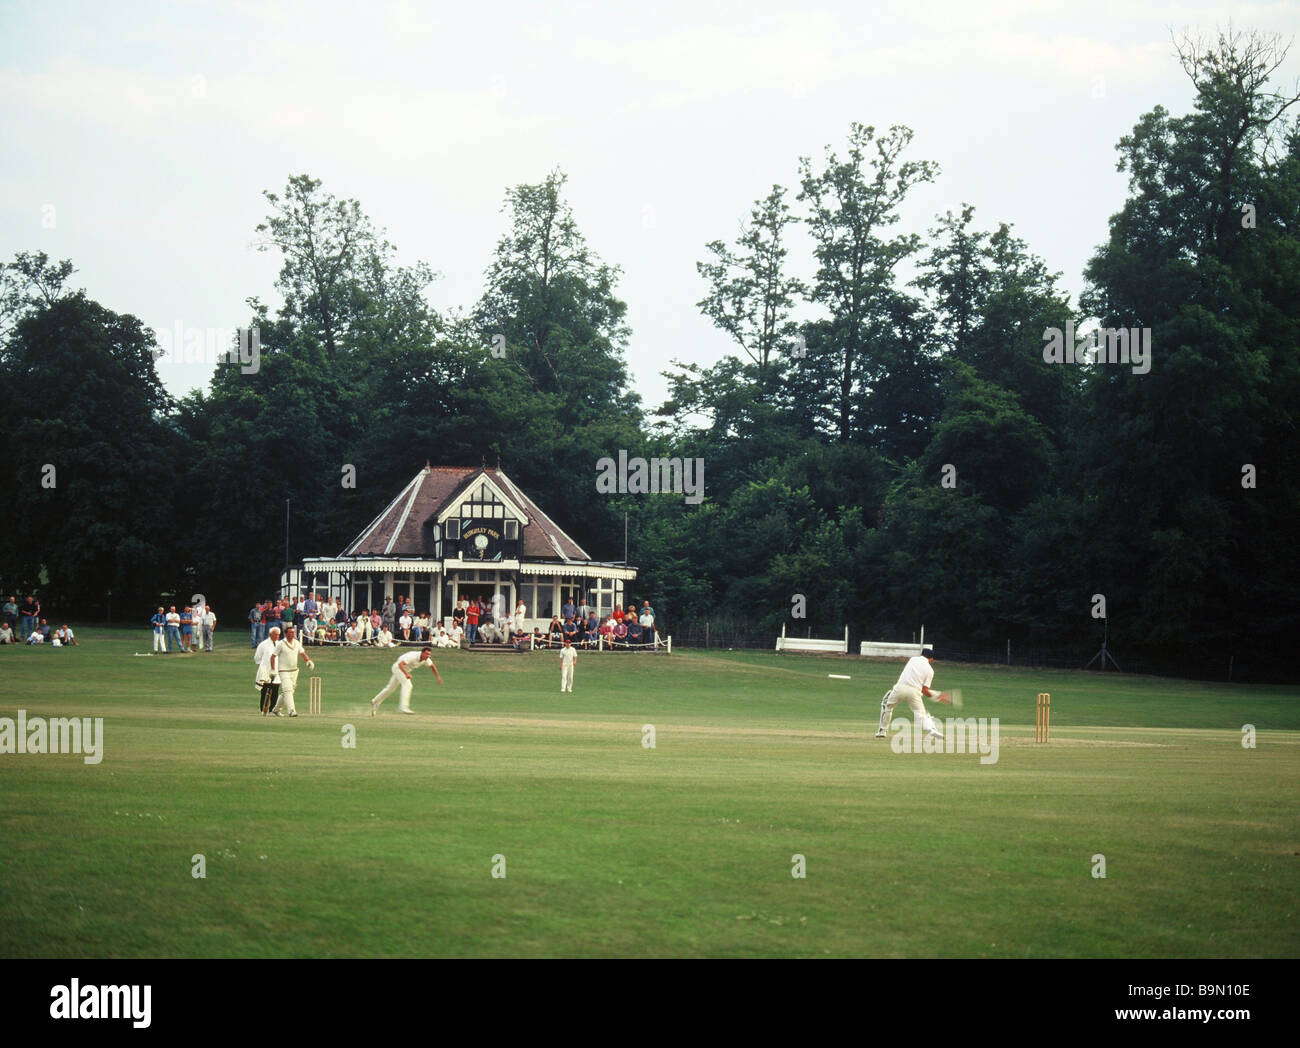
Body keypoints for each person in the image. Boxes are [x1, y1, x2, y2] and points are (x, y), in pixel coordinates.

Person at [876, 647, 947, 741]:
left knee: (887, 705)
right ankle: (932, 730)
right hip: (915, 692)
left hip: (900, 688)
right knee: (921, 714)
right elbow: (925, 690)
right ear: (931, 659)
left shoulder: (913, 659)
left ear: (921, 654)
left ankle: (882, 731)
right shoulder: (930, 670)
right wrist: (938, 696)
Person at [371, 646, 442, 716]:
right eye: (426, 654)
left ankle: (375, 701)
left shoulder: (426, 659)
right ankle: (403, 707)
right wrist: (406, 674)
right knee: (407, 685)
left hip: (404, 670)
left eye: (429, 654)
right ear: (422, 653)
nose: (428, 656)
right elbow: (400, 664)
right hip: (398, 668)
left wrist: (438, 677)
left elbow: (432, 666)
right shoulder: (412, 656)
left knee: (390, 688)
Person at [269, 625, 314, 718]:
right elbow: (273, 656)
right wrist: (273, 670)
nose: (292, 634)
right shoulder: (281, 644)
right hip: (283, 670)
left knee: (288, 691)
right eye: (290, 632)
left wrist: (308, 661)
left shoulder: (297, 643)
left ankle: (276, 710)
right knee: (288, 690)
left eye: (293, 632)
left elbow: (302, 653)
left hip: (294, 671)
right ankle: (292, 711)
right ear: (286, 634)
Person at [255, 626, 282, 715]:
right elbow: (257, 658)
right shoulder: (263, 644)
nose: (277, 636)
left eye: (278, 635)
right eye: (275, 634)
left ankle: (272, 710)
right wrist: (264, 666)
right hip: (266, 671)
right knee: (265, 691)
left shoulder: (279, 644)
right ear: (270, 634)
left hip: (276, 671)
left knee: (275, 691)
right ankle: (263, 709)